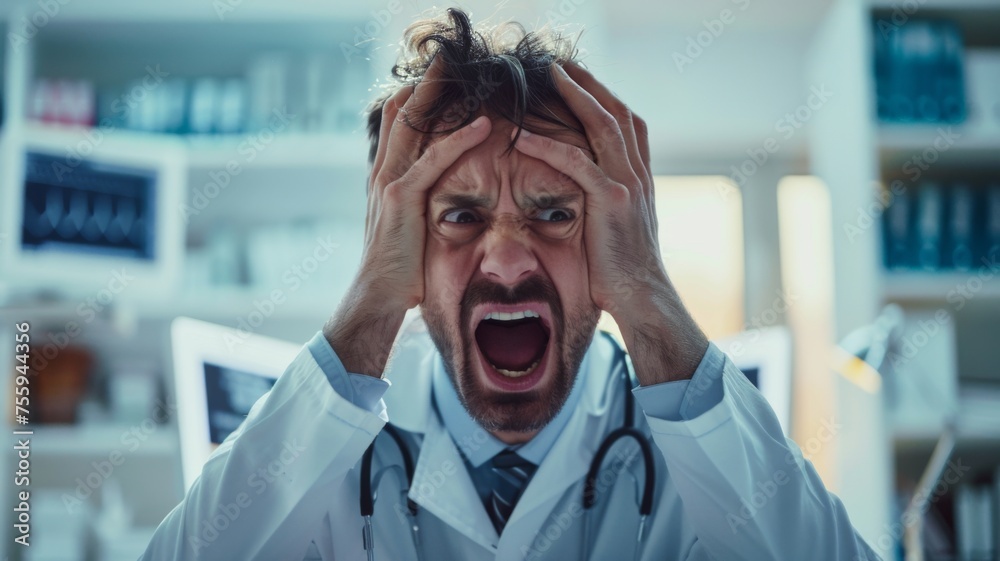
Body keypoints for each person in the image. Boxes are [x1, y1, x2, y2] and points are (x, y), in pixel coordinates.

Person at [143, 8, 880, 561]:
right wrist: (365, 309)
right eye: (460, 215)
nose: (506, 260)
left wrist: (654, 301)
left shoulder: (694, 472)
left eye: (554, 212)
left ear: (610, 244)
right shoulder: (327, 467)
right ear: (401, 249)